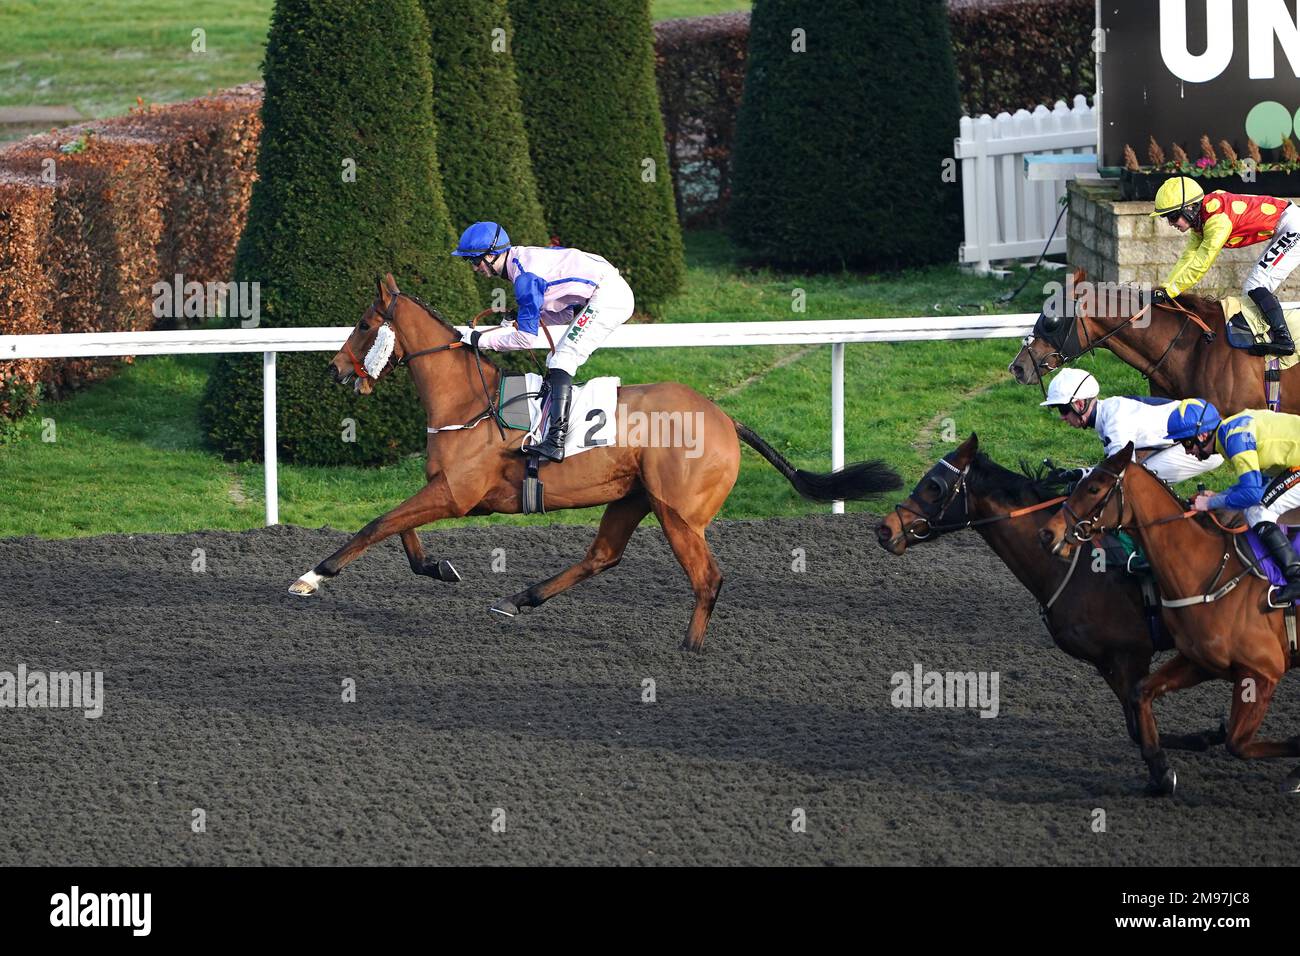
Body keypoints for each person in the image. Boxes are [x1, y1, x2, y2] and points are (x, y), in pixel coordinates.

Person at [451, 221, 635, 462]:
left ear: (492, 255)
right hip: (588, 295)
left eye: (475, 260)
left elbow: (526, 339)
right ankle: (549, 429)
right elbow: (552, 314)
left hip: (608, 295)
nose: (474, 268)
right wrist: (518, 319)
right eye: (470, 262)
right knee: (554, 359)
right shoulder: (520, 262)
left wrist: (480, 339)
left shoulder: (525, 278)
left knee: (563, 357)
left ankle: (556, 441)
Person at [1166, 398, 1300, 601]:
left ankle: (1296, 578)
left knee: (1258, 510)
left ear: (1202, 435)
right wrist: (1220, 496)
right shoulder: (1231, 431)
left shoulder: (1235, 439)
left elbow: (1253, 494)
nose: (1187, 451)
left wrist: (1210, 503)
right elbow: (1259, 481)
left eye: (1187, 442)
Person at [1150, 176, 1300, 356]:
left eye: (1173, 216)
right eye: (1167, 217)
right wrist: (1166, 288)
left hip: (1293, 227)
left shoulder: (1217, 221)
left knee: (1256, 285)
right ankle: (1270, 336)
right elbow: (1188, 257)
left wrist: (1172, 291)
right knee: (1250, 293)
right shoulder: (1201, 219)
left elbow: (1201, 263)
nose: (1170, 223)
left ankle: (1284, 339)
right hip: (1285, 225)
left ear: (1190, 208)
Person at [1041, 368, 1222, 484]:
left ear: (1080, 404)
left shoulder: (1115, 420)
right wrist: (1080, 474)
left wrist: (1081, 476)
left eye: (1063, 409)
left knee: (1135, 482)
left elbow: (1119, 472)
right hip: (1190, 439)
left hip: (1203, 445)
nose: (1062, 417)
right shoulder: (1109, 411)